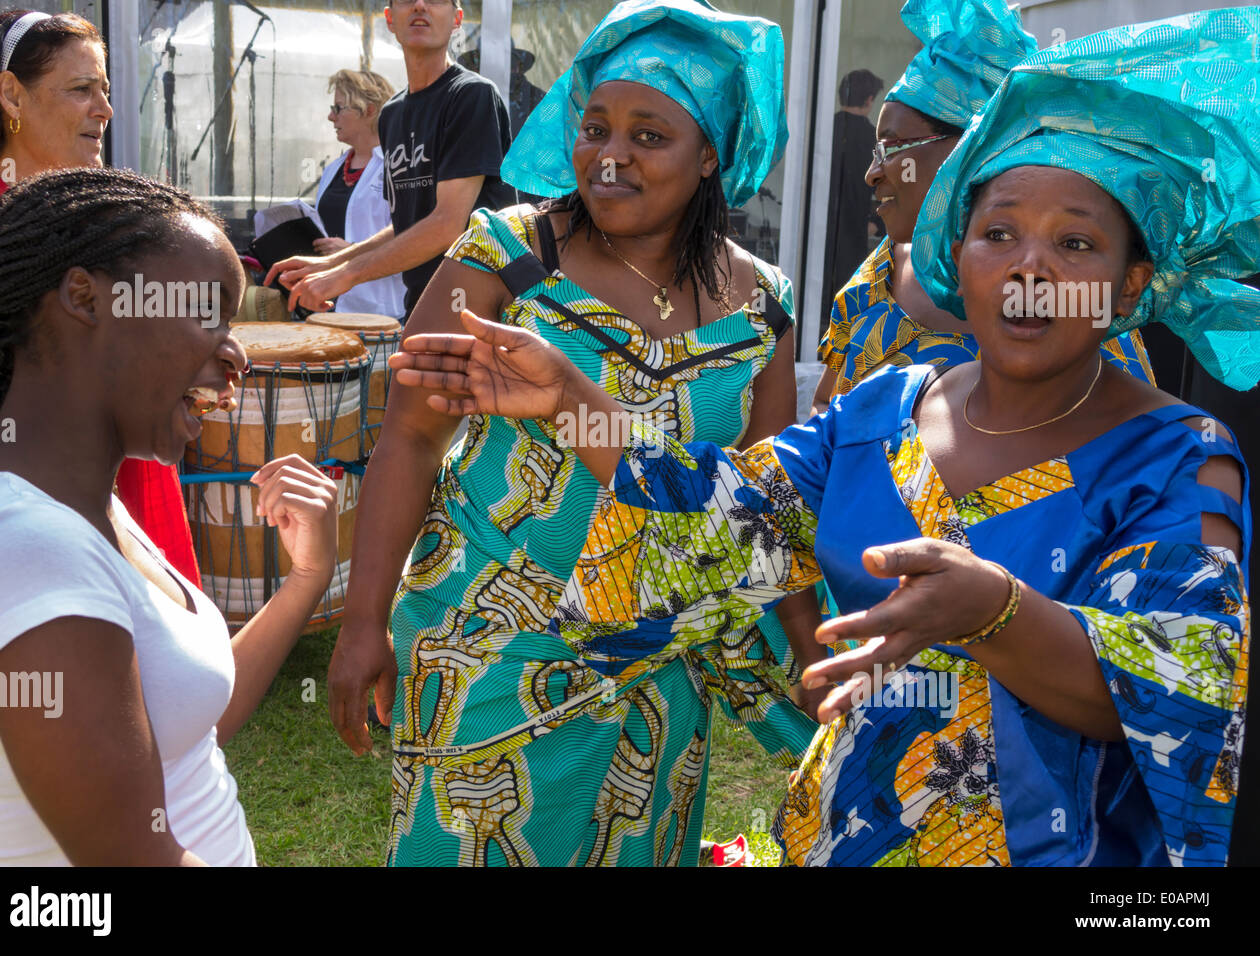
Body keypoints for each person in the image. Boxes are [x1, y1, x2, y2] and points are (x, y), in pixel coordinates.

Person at [391, 7, 1257, 866]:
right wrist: (572, 400)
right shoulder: (883, 416)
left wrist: (996, 611)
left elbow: (1190, 687)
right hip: (853, 837)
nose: (1030, 269)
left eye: (1075, 243)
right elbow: (719, 515)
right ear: (960, 257)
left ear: (1130, 281)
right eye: (999, 234)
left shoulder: (1177, 458)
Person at [327, 0, 817, 866]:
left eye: (649, 135)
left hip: (659, 673)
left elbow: (762, 514)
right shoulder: (504, 257)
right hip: (485, 648)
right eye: (594, 127)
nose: (610, 156)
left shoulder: (763, 307)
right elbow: (407, 439)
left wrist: (818, 660)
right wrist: (364, 618)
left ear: (711, 155)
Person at [0, 167, 340, 866]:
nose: (235, 356)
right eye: (207, 314)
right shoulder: (25, 549)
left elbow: (181, 728)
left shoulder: (84, 506)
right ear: (84, 298)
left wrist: (306, 578)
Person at [811, 0, 1154, 413]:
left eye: (894, 147)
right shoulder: (874, 280)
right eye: (875, 149)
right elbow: (824, 407)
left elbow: (1128, 442)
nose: (873, 172)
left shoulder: (1075, 305)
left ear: (967, 151)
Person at [0, 9, 202, 588]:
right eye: (80, 90)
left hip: (129, 491)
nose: (105, 110)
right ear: (11, 96)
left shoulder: (105, 213)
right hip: (18, 512)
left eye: (107, 91)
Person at [266, 0, 515, 318]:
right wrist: (332, 262)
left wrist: (345, 275)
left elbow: (447, 225)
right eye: (407, 0)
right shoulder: (393, 114)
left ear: (457, 19)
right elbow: (405, 224)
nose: (420, 5)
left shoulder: (470, 95)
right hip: (419, 307)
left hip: (480, 310)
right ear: (389, 18)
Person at [311, 68, 407, 317]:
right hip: (330, 311)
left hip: (379, 318)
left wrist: (350, 251)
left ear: (370, 110)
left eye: (339, 108)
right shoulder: (334, 169)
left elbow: (414, 245)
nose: (331, 117)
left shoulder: (399, 167)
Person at [825, 68, 883, 296]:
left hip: (817, 232)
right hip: (854, 234)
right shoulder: (874, 139)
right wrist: (877, 224)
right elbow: (888, 190)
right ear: (869, 100)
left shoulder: (821, 131)